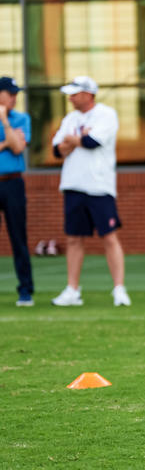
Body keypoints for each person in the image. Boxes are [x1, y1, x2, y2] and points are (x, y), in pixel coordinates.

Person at [50, 76, 131, 307]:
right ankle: (72, 290)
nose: (71, 98)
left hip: (99, 187)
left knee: (109, 236)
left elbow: (93, 142)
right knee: (74, 238)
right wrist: (76, 140)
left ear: (88, 94)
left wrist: (74, 141)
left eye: (75, 93)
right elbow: (58, 149)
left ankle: (119, 289)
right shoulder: (70, 119)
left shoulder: (106, 114)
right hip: (73, 185)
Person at [0, 76, 34, 307]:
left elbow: (19, 146)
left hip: (13, 183)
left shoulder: (21, 118)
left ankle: (25, 290)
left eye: (15, 94)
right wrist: (7, 143)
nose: (14, 98)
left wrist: (3, 120)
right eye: (9, 93)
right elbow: (12, 144)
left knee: (18, 237)